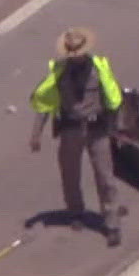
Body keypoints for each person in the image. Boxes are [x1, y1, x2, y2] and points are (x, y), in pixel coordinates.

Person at [28, 26, 126, 247]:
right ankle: (75, 212)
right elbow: (45, 102)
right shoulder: (59, 72)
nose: (75, 57)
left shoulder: (99, 69)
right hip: (70, 128)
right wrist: (36, 134)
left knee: (105, 177)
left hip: (97, 128)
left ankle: (111, 223)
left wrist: (116, 130)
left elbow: (114, 100)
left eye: (78, 53)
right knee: (70, 173)